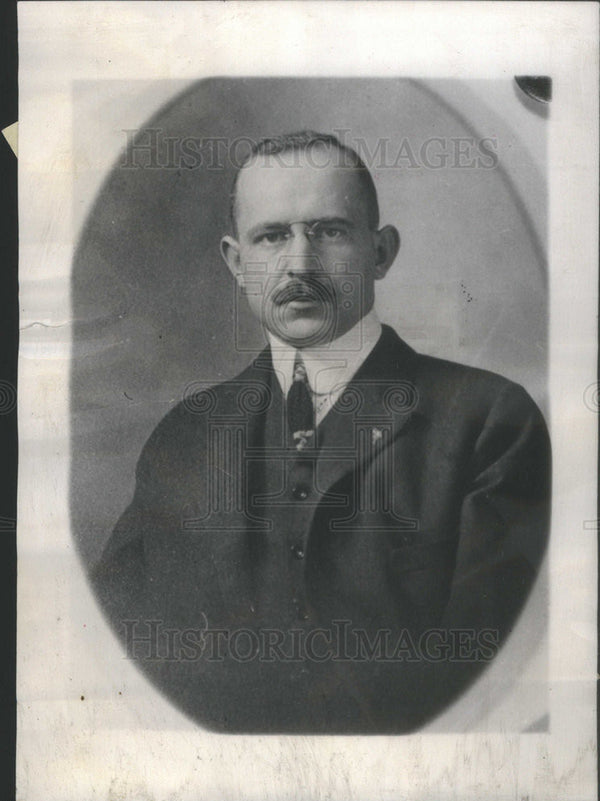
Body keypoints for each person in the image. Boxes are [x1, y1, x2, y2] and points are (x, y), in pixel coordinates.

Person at [93, 131, 551, 733]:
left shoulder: (489, 423)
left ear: (381, 252)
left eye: (329, 232)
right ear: (237, 261)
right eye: (272, 236)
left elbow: (489, 679)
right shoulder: (186, 437)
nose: (300, 265)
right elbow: (110, 657)